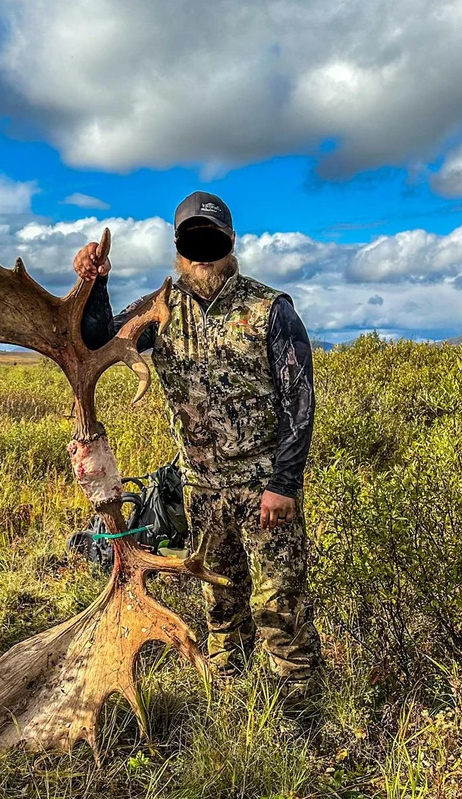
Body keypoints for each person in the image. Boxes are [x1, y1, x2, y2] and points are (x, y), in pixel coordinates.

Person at [74, 192, 321, 698]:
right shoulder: (158, 311)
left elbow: (300, 402)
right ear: (178, 248)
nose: (202, 254)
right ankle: (233, 706)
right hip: (201, 490)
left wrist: (284, 483)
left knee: (280, 606)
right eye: (192, 243)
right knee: (219, 602)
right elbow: (97, 339)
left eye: (212, 242)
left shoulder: (271, 311)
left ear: (230, 244)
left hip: (263, 492)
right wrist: (93, 285)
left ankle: (303, 716)